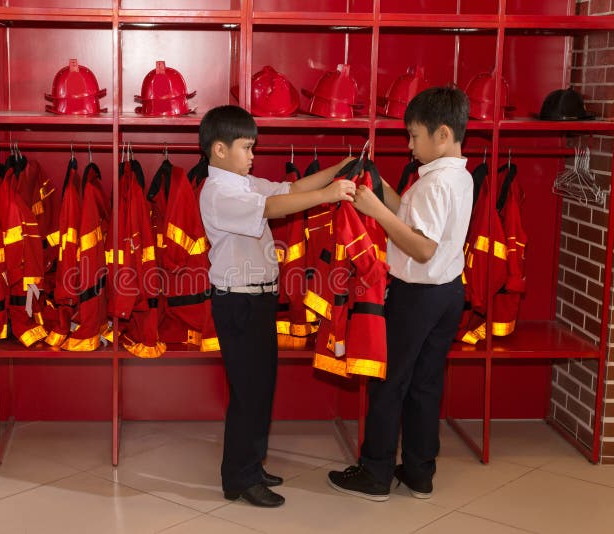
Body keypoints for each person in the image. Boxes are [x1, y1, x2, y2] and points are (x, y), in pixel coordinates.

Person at [198, 105, 355, 507]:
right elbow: (272, 209)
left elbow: (291, 190)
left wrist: (342, 169)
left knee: (262, 388)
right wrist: (332, 194)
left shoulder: (243, 183)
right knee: (249, 393)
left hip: (259, 300)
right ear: (219, 149)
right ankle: (239, 478)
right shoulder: (218, 192)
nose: (252, 156)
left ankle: (251, 463)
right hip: (238, 303)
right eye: (247, 147)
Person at [327, 86, 473, 501]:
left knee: (388, 383)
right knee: (425, 384)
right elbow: (410, 217)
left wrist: (373, 210)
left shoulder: (433, 185)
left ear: (442, 134)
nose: (409, 145)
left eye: (414, 135)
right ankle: (418, 472)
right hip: (447, 294)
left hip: (417, 296)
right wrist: (379, 185)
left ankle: (374, 473)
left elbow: (421, 246)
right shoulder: (456, 176)